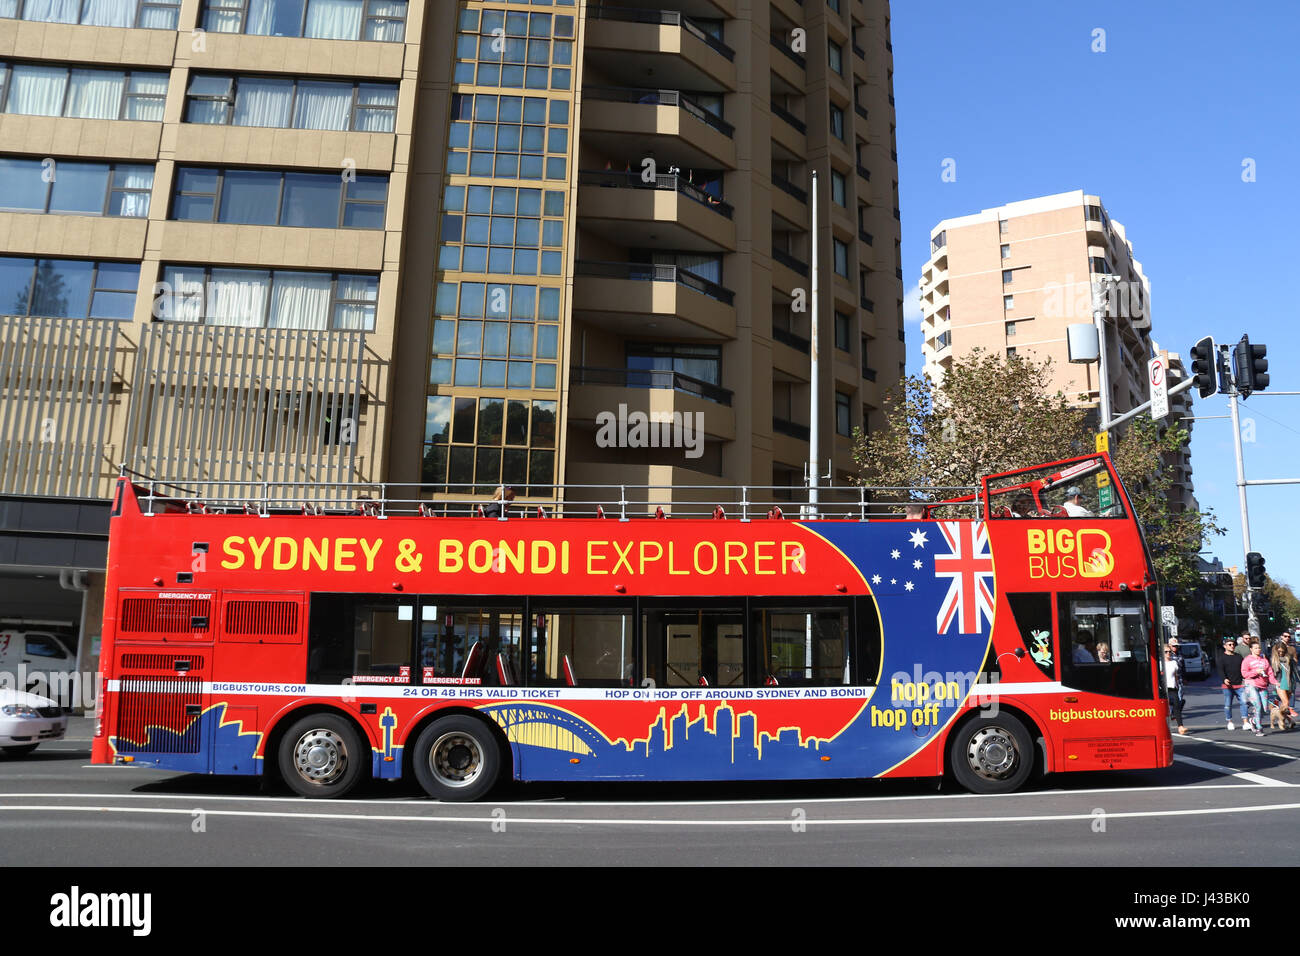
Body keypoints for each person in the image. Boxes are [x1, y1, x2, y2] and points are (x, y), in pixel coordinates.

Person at [1241, 640, 1279, 736]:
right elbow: (1244, 673)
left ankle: (1253, 720)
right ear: (1251, 649)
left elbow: (1270, 673)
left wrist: (1275, 682)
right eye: (1256, 648)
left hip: (1263, 686)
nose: (1258, 650)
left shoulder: (1264, 660)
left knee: (1265, 708)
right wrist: (1256, 672)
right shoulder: (1247, 660)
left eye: (1259, 648)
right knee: (1257, 706)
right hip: (1252, 685)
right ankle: (1259, 729)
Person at [1217, 637, 1246, 729]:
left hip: (1239, 684)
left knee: (1244, 702)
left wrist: (1245, 679)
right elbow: (1220, 671)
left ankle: (1245, 722)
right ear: (1225, 646)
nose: (1232, 646)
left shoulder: (1238, 657)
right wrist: (1224, 679)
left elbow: (1243, 669)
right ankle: (1229, 722)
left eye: (1233, 644)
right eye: (1229, 644)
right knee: (1228, 705)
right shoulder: (1221, 658)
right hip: (1228, 686)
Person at [1163, 643, 1187, 735]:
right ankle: (1165, 727)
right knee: (1164, 709)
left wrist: (1177, 685)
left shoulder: (1174, 663)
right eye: (1166, 652)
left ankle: (1180, 727)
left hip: (1173, 688)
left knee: (1177, 707)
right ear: (1162, 653)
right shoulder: (1161, 663)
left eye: (1169, 651)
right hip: (1164, 689)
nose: (1168, 653)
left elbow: (1175, 676)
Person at [1271, 640, 1295, 718]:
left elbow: (1294, 672)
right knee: (1286, 702)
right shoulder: (1274, 660)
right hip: (1279, 683)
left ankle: (1284, 718)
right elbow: (1271, 673)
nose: (1281, 653)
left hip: (1289, 683)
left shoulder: (1289, 659)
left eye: (1282, 651)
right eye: (1279, 651)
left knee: (1284, 705)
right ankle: (1283, 720)